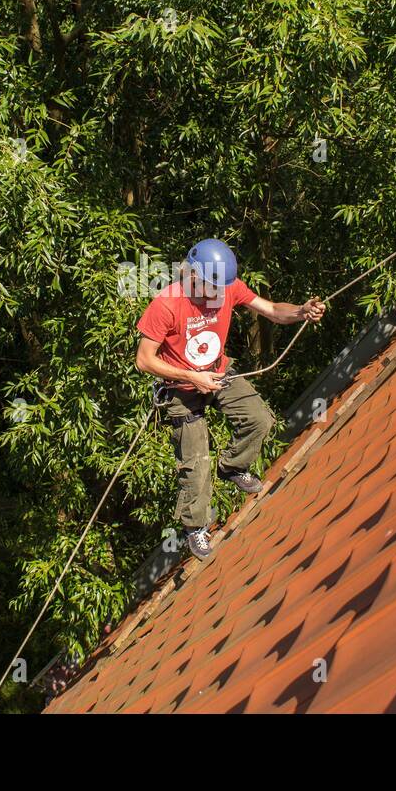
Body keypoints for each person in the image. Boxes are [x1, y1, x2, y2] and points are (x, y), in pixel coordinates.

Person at [135, 238, 326, 560]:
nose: (218, 294)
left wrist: (301, 311)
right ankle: (195, 528)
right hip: (182, 389)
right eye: (212, 287)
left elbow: (272, 311)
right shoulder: (166, 304)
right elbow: (144, 360)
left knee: (259, 420)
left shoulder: (228, 286)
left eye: (221, 287)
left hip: (218, 370)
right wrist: (192, 377)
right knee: (196, 465)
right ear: (194, 275)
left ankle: (233, 466)